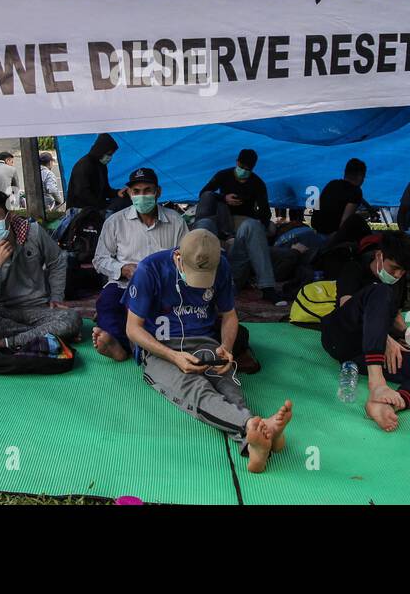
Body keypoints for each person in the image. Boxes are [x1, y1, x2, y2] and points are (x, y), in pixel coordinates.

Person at [124, 231, 293, 473]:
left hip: (205, 342)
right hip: (162, 349)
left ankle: (255, 439)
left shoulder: (221, 265)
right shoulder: (149, 269)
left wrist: (226, 347)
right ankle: (253, 427)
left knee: (229, 385)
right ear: (178, 256)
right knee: (195, 389)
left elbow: (229, 315)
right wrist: (173, 357)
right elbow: (132, 329)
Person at [320, 231, 410, 432]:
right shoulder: (354, 268)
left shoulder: (398, 281)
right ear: (379, 256)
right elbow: (347, 306)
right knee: (379, 290)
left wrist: (406, 334)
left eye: (404, 271)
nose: (398, 275)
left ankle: (387, 404)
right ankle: (377, 384)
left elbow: (395, 315)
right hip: (341, 336)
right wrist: (385, 338)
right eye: (395, 268)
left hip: (364, 354)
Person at [90, 167, 189, 361]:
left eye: (147, 190)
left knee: (173, 313)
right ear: (129, 193)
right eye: (136, 192)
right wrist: (123, 269)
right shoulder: (115, 222)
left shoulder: (176, 221)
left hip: (163, 286)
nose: (141, 196)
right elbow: (99, 259)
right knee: (108, 305)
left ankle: (137, 344)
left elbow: (185, 258)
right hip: (124, 284)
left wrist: (163, 273)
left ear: (158, 192)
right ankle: (118, 345)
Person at [0, 187, 81, 349]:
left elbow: (57, 260)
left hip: (38, 309)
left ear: (10, 216)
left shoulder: (33, 233)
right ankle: (50, 334)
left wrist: (56, 297)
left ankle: (8, 342)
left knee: (72, 318)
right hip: (4, 312)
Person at [195, 149, 279, 301]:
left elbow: (265, 212)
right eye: (242, 167)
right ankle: (198, 285)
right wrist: (223, 198)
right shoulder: (223, 175)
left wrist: (262, 227)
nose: (244, 171)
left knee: (256, 226)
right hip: (221, 219)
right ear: (237, 163)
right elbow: (204, 193)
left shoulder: (257, 183)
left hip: (244, 222)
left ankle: (267, 287)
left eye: (248, 169)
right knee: (204, 223)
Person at [65, 133, 124, 211]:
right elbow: (83, 193)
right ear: (100, 151)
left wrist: (117, 193)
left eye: (112, 155)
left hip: (95, 207)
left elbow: (105, 189)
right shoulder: (83, 165)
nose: (110, 158)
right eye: (109, 154)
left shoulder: (101, 165)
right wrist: (104, 206)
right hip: (80, 210)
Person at [311, 158, 368, 238]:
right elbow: (345, 224)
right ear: (360, 176)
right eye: (364, 176)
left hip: (316, 232)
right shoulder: (355, 192)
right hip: (332, 236)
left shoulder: (332, 184)